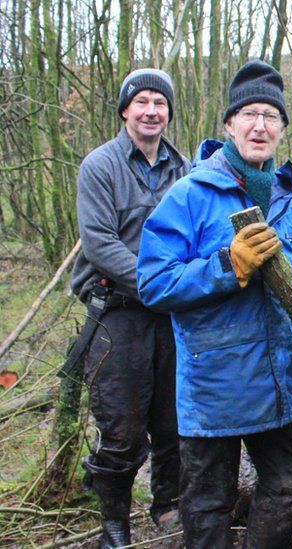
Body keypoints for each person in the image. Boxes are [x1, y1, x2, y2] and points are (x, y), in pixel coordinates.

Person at [136, 60, 292, 548]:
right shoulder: (190, 194)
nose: (260, 125)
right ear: (229, 124)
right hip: (214, 382)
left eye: (271, 116)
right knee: (207, 504)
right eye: (249, 114)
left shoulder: (288, 201)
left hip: (279, 378)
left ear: (281, 130)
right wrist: (229, 266)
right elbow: (154, 282)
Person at [69, 68, 188, 547]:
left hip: (172, 312)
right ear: (125, 111)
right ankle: (114, 522)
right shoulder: (100, 165)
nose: (151, 111)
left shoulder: (185, 168)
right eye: (141, 102)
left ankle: (167, 508)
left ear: (169, 113)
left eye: (160, 104)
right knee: (121, 427)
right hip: (118, 311)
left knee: (174, 420)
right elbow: (99, 243)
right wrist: (158, 281)